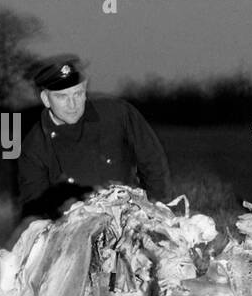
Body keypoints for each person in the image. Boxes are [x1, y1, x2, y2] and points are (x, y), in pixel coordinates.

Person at [17, 54, 173, 220]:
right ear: (46, 99)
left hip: (131, 216)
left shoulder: (117, 114)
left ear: (85, 90)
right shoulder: (34, 147)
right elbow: (35, 208)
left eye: (77, 94)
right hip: (73, 226)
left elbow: (152, 161)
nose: (72, 104)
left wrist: (158, 208)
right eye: (62, 97)